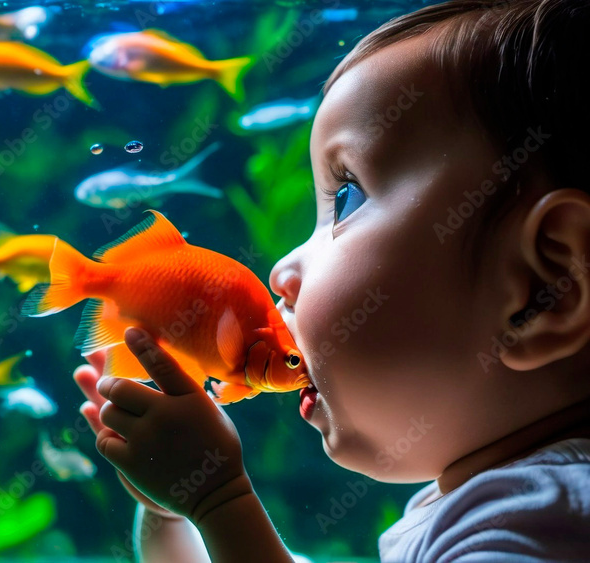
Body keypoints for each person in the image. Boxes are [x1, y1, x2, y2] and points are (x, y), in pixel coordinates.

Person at [73, 1, 590, 561]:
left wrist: (219, 500)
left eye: (346, 197)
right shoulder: (478, 508)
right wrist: (172, 510)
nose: (281, 272)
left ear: (545, 288)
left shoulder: (538, 530)